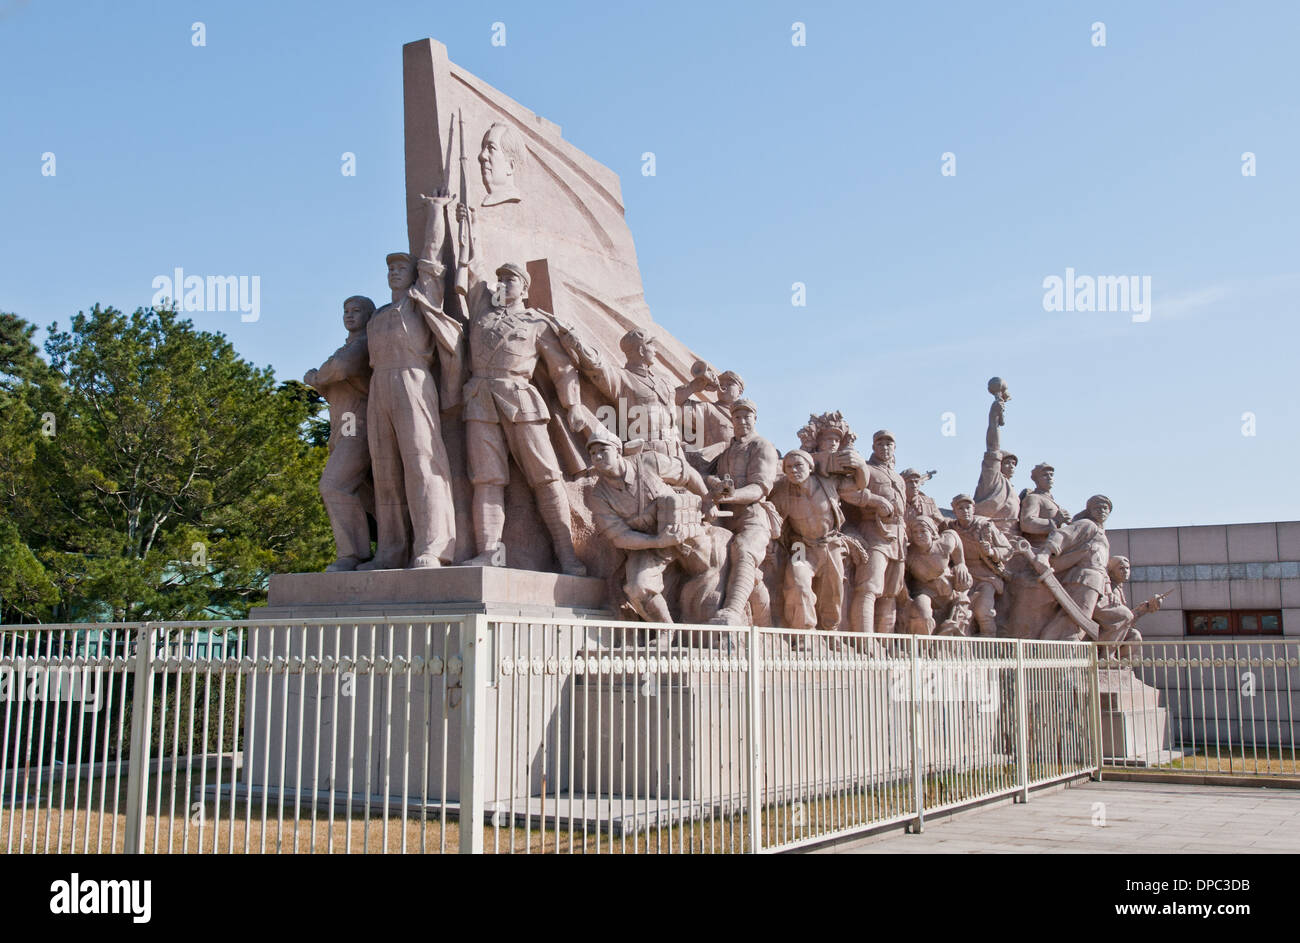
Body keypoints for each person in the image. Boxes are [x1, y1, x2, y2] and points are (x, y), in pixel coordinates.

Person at [460, 262, 587, 575]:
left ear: (525, 288)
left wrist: (574, 406)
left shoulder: (537, 322)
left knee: (546, 477)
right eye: (499, 279)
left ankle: (567, 554)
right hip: (480, 400)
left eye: (510, 279)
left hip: (521, 397)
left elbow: (562, 368)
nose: (503, 284)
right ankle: (489, 553)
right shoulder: (481, 314)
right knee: (486, 480)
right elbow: (470, 265)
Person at [361, 190, 464, 569]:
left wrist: (437, 211)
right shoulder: (380, 313)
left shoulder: (422, 300)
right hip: (380, 386)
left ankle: (435, 545)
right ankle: (391, 548)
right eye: (390, 269)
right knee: (385, 469)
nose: (394, 273)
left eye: (401, 268)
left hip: (413, 380)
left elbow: (433, 259)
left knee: (423, 462)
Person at [585, 426, 720, 623]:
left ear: (617, 450)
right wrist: (657, 541)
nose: (597, 457)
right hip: (649, 544)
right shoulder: (599, 495)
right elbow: (619, 536)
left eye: (603, 450)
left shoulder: (648, 461)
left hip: (684, 529)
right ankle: (666, 629)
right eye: (592, 453)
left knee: (713, 565)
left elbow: (687, 473)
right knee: (637, 588)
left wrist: (707, 500)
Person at [305, 295, 376, 571]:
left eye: (356, 311)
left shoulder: (362, 347)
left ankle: (353, 555)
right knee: (369, 497)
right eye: (346, 311)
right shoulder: (345, 347)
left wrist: (315, 376)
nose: (349, 315)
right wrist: (322, 378)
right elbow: (330, 381)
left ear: (368, 317)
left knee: (333, 486)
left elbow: (338, 369)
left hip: (357, 427)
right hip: (340, 430)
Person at [769, 449, 872, 631]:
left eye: (798, 465)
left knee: (833, 595)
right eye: (789, 467)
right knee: (797, 582)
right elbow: (773, 518)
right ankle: (805, 632)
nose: (794, 470)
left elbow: (859, 485)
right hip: (801, 546)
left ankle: (829, 632)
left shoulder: (828, 483)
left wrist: (861, 466)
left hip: (829, 544)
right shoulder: (783, 493)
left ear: (810, 467)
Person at [707, 399, 780, 625]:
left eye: (747, 416)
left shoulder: (761, 446)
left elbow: (759, 488)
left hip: (753, 515)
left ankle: (732, 612)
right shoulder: (727, 452)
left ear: (754, 419)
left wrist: (731, 495)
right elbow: (708, 475)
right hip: (725, 517)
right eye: (737, 417)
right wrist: (714, 483)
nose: (742, 421)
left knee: (745, 550)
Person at [844, 430, 909, 634]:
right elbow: (846, 490)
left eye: (889, 444)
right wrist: (875, 500)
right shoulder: (867, 470)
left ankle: (884, 644)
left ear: (895, 448)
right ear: (873, 447)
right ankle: (865, 642)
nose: (885, 447)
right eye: (880, 443)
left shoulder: (898, 477)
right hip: (874, 531)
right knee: (868, 588)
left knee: (891, 593)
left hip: (897, 538)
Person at [1036, 495, 1115, 641]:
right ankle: (1059, 651)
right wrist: (1045, 554)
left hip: (1097, 582)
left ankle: (1052, 646)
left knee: (1077, 618)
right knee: (1076, 621)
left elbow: (1102, 565)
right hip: (1084, 579)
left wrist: (1108, 589)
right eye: (1097, 507)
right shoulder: (1088, 525)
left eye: (1105, 508)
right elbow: (1062, 534)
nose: (1102, 510)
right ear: (1089, 510)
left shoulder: (1101, 533)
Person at [949, 493, 1014, 637]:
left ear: (973, 509)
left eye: (968, 507)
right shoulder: (951, 529)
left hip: (986, 577)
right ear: (954, 511)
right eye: (960, 508)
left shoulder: (985, 526)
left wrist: (992, 552)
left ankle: (989, 644)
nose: (965, 511)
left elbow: (1008, 550)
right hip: (962, 577)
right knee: (959, 610)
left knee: (984, 611)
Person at [903, 516, 973, 636]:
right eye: (915, 532)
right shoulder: (909, 553)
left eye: (923, 531)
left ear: (932, 532)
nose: (918, 535)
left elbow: (955, 537)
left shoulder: (944, 543)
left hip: (947, 588)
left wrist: (961, 563)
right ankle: (923, 648)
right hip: (923, 590)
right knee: (922, 612)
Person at [973, 393, 1019, 537]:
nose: (1011, 466)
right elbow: (993, 447)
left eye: (1014, 464)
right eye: (1007, 463)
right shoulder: (993, 480)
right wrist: (993, 418)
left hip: (1014, 536)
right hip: (995, 535)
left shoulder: (1012, 489)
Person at [1018, 462, 1069, 550]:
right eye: (1045, 475)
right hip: (1039, 548)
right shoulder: (1033, 498)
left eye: (1051, 475)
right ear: (1036, 479)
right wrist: (1055, 521)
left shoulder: (1051, 500)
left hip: (1055, 546)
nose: (1049, 477)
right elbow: (1027, 523)